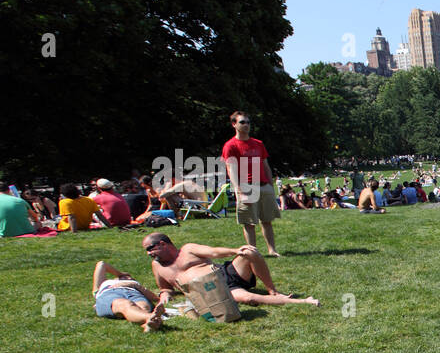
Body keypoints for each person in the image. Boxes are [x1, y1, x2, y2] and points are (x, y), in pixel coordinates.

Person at [143, 233, 320, 307]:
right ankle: (303, 302)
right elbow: (164, 287)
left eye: (150, 248)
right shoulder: (157, 266)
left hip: (226, 273)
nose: (149, 253)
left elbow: (213, 252)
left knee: (250, 251)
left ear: (163, 244)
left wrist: (235, 251)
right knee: (247, 297)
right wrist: (165, 295)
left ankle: (272, 290)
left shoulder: (187, 250)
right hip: (215, 289)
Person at [222, 111, 281, 256]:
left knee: (267, 220)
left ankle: (272, 250)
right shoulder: (230, 146)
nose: (246, 125)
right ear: (234, 124)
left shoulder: (258, 144)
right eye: (242, 122)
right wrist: (238, 189)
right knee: (249, 222)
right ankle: (253, 253)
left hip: (263, 185)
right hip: (246, 186)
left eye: (248, 122)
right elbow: (231, 168)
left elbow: (265, 165)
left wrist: (270, 186)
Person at [92, 261, 165, 332]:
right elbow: (102, 264)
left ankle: (148, 323)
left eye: (130, 277)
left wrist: (135, 285)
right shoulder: (105, 284)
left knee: (144, 306)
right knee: (125, 304)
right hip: (110, 293)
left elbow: (155, 298)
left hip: (134, 293)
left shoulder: (135, 285)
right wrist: (120, 274)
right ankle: (151, 317)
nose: (129, 277)